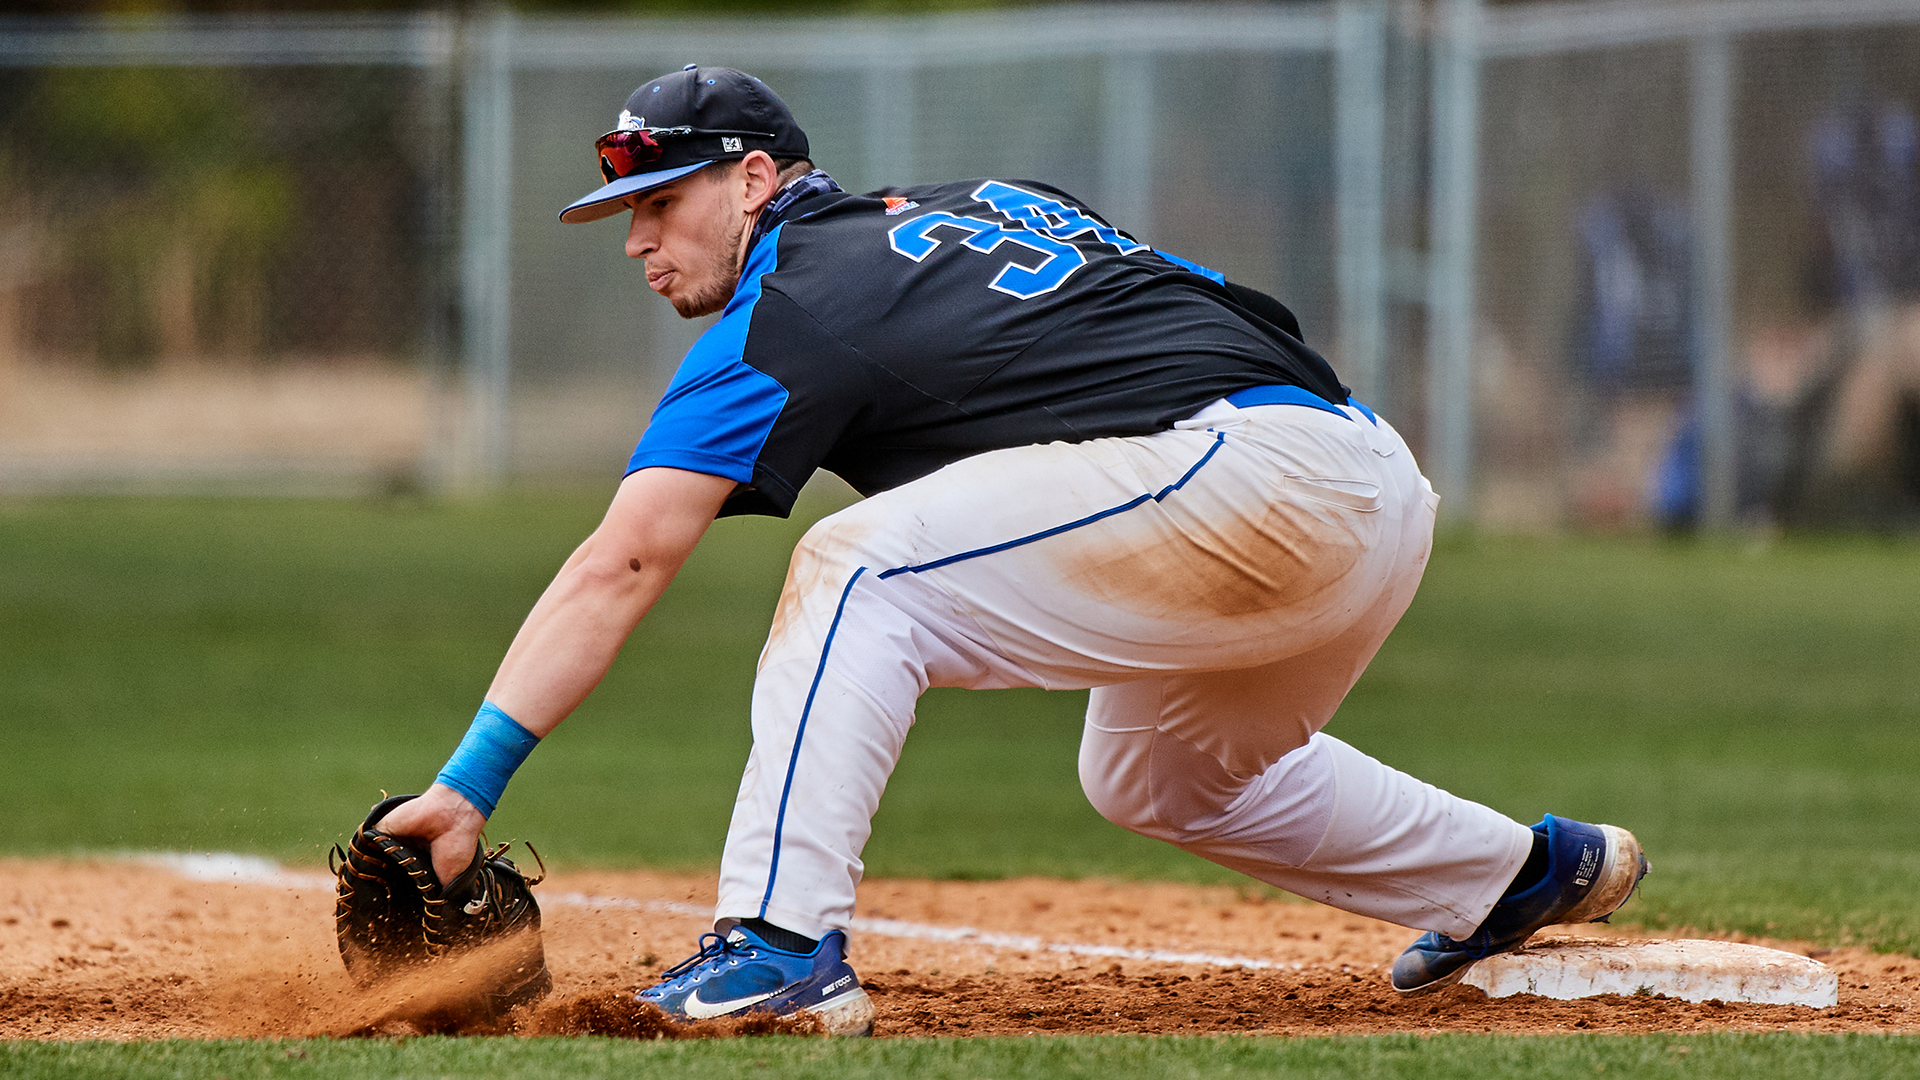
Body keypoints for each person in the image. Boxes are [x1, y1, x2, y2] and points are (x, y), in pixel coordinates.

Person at [372, 65, 1649, 1036]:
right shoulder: (986, 204)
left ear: (756, 180)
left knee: (857, 567)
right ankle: (1521, 873)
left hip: (1253, 479)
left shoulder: (792, 306)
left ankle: (777, 942)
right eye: (626, 214)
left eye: (662, 200)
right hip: (1362, 471)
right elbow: (1219, 303)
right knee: (1159, 777)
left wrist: (474, 780)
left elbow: (627, 560)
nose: (641, 240)